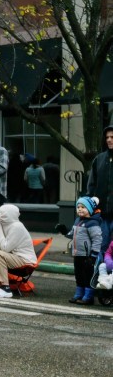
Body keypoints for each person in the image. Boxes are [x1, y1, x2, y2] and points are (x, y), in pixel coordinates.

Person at [0, 204, 37, 299]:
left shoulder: (17, 226)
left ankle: (5, 288)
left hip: (25, 260)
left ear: (8, 215)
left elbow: (5, 249)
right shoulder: (4, 225)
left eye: (1, 214)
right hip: (14, 256)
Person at [66, 196, 102, 305]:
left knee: (88, 275)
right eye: (78, 207)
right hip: (77, 253)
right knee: (79, 274)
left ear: (90, 209)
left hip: (88, 255)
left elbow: (97, 240)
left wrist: (93, 256)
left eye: (83, 207)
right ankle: (79, 294)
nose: (80, 209)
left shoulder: (93, 223)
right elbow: (72, 235)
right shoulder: (78, 221)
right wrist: (64, 231)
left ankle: (88, 296)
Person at [85, 124, 113, 253]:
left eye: (112, 137)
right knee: (101, 247)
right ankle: (100, 273)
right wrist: (89, 208)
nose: (109, 140)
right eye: (107, 137)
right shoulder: (99, 159)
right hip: (102, 215)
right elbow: (91, 186)